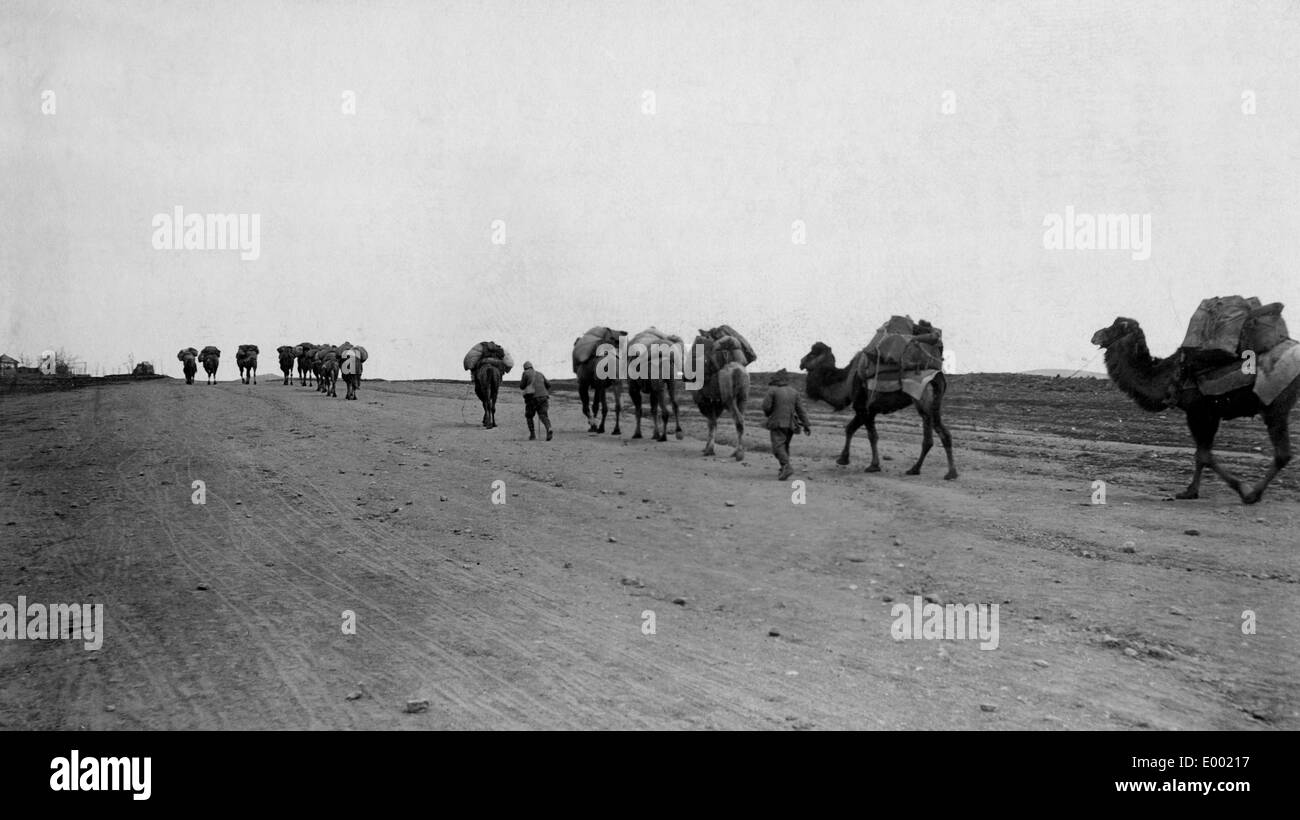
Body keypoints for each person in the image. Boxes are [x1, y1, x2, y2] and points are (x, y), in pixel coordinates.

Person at [761, 369, 811, 480]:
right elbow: (801, 410)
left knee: (777, 447)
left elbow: (766, 407)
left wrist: (768, 414)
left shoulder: (772, 390)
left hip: (777, 423)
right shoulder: (794, 392)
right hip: (791, 425)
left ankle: (786, 466)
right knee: (785, 446)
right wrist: (806, 425)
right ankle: (783, 468)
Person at [519, 361, 553, 441]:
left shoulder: (525, 373)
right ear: (532, 366)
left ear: (525, 368)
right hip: (544, 397)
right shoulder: (540, 373)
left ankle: (532, 435)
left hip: (532, 398)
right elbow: (549, 385)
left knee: (529, 416)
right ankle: (549, 428)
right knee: (543, 415)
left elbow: (522, 386)